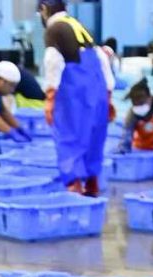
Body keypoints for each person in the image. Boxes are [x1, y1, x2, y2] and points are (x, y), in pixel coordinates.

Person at [39, 0, 114, 197]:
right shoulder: (79, 26)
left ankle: (74, 188)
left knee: (68, 136)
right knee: (92, 135)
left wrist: (49, 98)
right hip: (96, 89)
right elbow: (102, 57)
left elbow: (52, 61)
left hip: (74, 92)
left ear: (44, 9)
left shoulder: (55, 29)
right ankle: (91, 184)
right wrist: (108, 96)